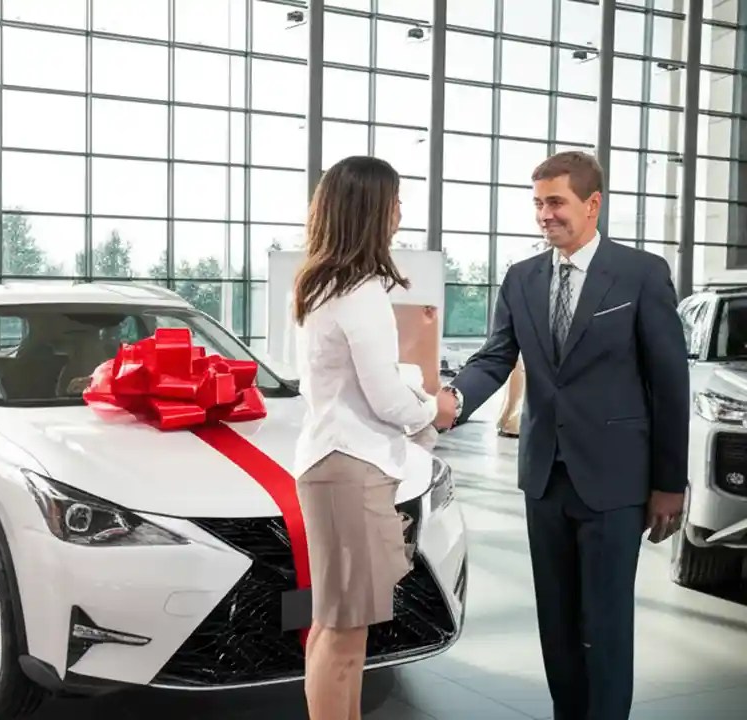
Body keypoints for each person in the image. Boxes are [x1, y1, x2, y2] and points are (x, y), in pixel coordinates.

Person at [437, 151, 688, 720]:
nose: (543, 215)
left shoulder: (640, 274)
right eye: (537, 204)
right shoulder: (522, 278)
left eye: (555, 202)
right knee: (556, 621)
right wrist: (453, 401)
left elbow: (670, 384)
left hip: (616, 481)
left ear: (593, 204)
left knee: (604, 623)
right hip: (545, 478)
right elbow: (496, 356)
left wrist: (669, 483)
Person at [291, 156, 439, 720]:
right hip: (351, 468)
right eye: (395, 200)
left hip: (337, 463)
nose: (401, 211)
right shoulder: (358, 292)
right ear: (372, 208)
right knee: (345, 635)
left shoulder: (326, 285)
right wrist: (433, 403)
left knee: (336, 628)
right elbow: (387, 399)